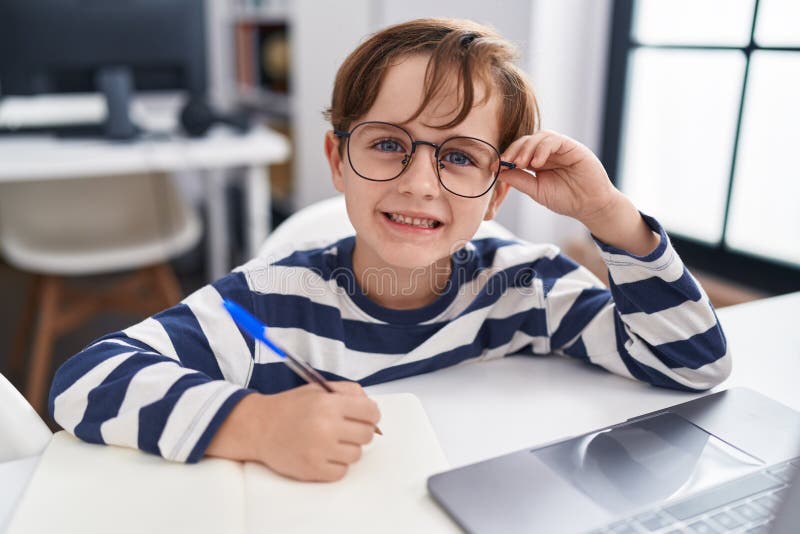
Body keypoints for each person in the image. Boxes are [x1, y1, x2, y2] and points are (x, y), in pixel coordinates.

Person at [49, 18, 730, 482]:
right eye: (387, 144)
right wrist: (254, 424)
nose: (418, 183)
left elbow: (692, 365)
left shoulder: (525, 287)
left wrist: (610, 216)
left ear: (497, 195)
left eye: (460, 157)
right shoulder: (266, 305)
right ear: (338, 160)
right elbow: (83, 384)